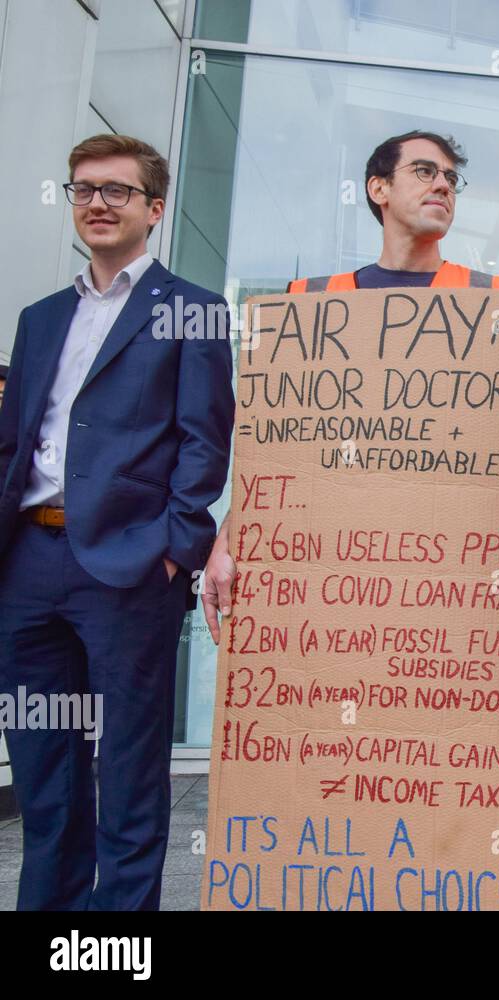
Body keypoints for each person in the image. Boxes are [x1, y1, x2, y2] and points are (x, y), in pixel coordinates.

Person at [201, 129, 499, 637]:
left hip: (456, 577)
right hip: (330, 571)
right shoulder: (310, 306)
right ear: (378, 189)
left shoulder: (496, 303)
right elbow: (275, 452)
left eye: (451, 179)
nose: (442, 185)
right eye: (424, 171)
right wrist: (230, 536)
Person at [0, 134, 235, 909]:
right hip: (28, 564)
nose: (96, 203)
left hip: (131, 569)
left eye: (116, 191)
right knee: (45, 775)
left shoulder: (193, 311)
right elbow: (15, 440)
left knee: (130, 773)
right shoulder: (39, 318)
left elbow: (205, 442)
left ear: (154, 208)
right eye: (83, 189)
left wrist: (175, 549)